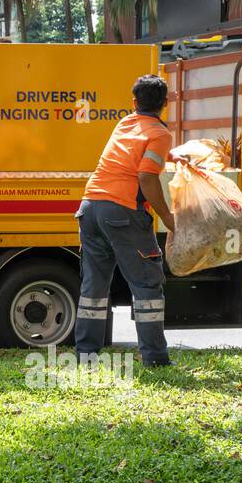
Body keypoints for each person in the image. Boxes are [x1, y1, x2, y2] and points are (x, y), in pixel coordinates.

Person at [74, 74, 176, 367]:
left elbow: (127, 161)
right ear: (165, 104)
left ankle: (86, 354)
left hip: (90, 206)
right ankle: (155, 358)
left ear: (134, 103)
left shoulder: (124, 124)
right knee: (146, 286)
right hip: (122, 211)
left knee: (93, 286)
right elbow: (145, 175)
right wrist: (167, 216)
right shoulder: (159, 133)